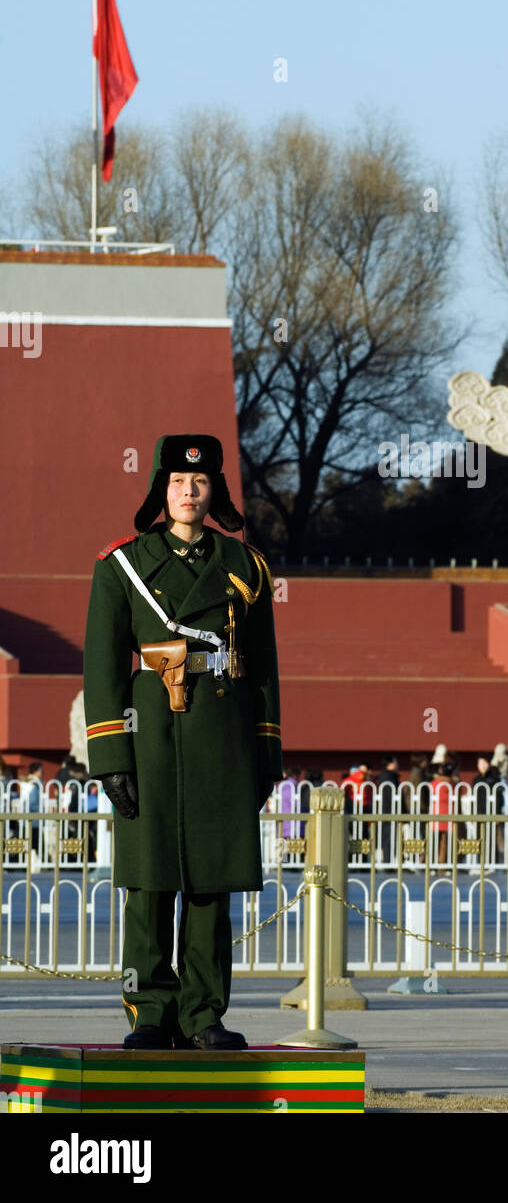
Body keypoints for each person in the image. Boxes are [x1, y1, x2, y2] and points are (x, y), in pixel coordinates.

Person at [83, 433, 281, 1051]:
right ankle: (150, 1012)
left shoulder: (246, 566)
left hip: (221, 736)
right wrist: (111, 754)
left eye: (199, 483)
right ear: (160, 491)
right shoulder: (123, 565)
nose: (189, 491)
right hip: (149, 736)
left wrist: (265, 751)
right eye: (176, 482)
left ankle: (203, 1015)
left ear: (214, 491)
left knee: (209, 884)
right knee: (150, 883)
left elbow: (266, 668)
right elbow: (103, 667)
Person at [373, 756, 400, 865]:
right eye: (396, 762)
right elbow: (390, 797)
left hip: (387, 811)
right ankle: (388, 862)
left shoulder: (387, 776)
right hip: (389, 812)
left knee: (389, 838)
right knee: (388, 839)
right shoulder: (388, 778)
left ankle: (389, 861)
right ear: (391, 764)